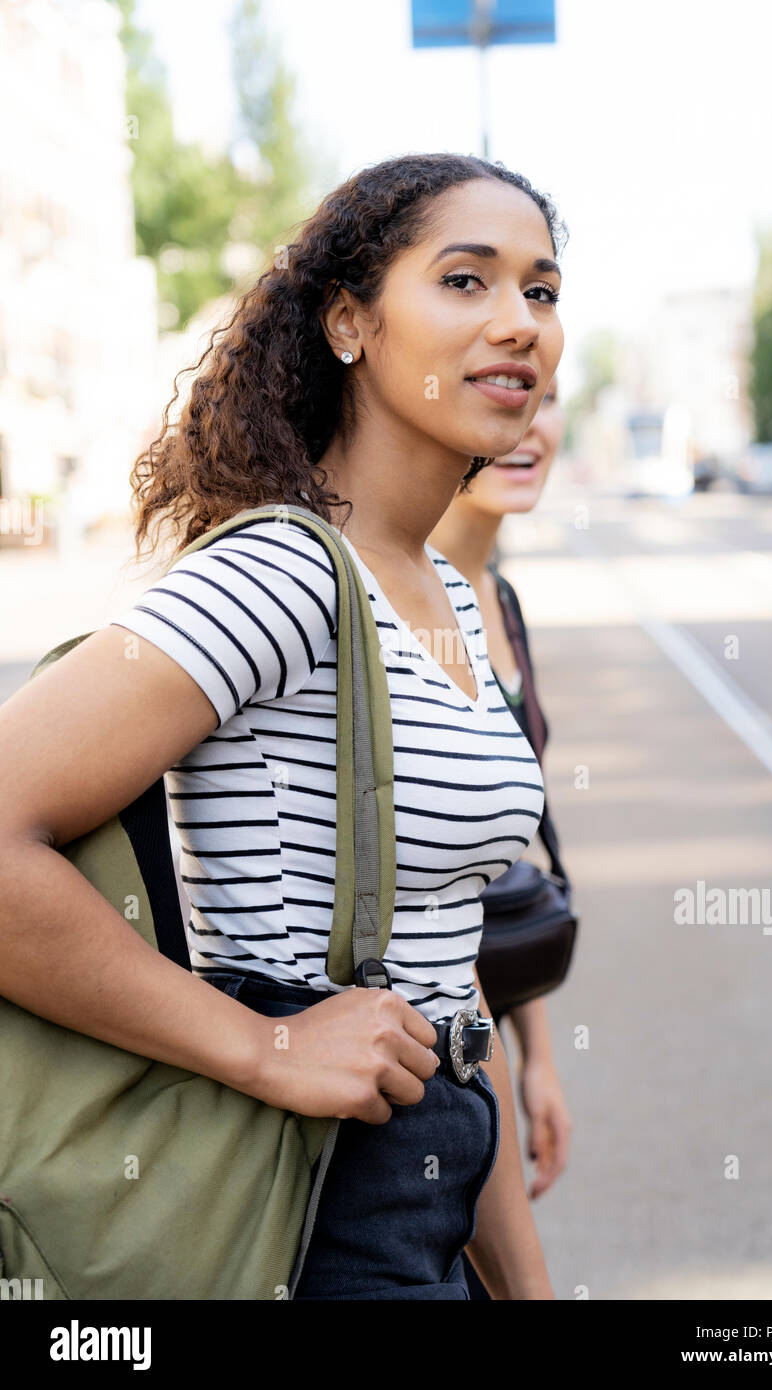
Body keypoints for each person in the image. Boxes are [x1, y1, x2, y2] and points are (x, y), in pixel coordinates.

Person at [0, 151, 566, 1300]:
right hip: (310, 1203)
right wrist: (262, 1043)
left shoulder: (440, 589)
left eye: (541, 291)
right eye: (465, 281)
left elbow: (447, 991)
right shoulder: (285, 571)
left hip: (435, 1182)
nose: (517, 321)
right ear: (349, 323)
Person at [429, 373, 572, 1299]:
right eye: (507, 390)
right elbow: (439, 910)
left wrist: (542, 1064)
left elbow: (500, 856)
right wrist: (492, 1077)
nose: (529, 422)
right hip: (430, 1061)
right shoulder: (406, 604)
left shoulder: (501, 600)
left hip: (479, 1035)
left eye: (551, 396)